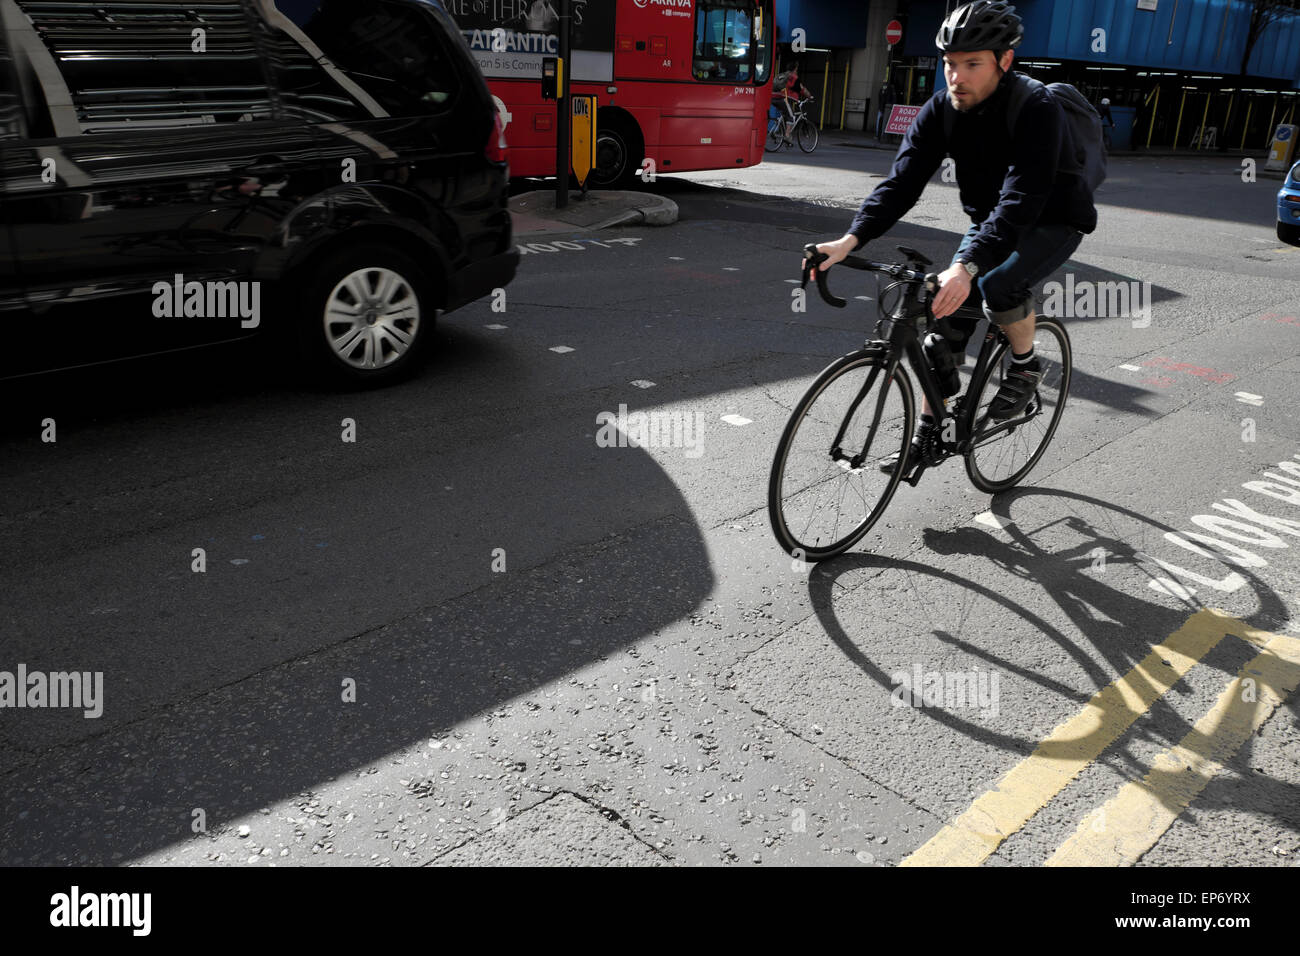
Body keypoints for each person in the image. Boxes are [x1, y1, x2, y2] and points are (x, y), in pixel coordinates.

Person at [806, 1, 1097, 472]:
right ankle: (927, 433)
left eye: (972, 64)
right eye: (949, 64)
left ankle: (1024, 365)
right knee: (942, 319)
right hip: (990, 219)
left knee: (997, 286)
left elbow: (1023, 197)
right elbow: (901, 184)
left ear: (1004, 61)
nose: (956, 77)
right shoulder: (942, 109)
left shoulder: (1037, 107)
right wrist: (849, 241)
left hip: (1053, 219)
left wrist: (968, 266)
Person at [772, 62, 811, 143]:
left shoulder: (782, 75)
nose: (797, 71)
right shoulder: (793, 77)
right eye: (796, 69)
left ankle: (779, 129)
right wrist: (809, 96)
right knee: (792, 116)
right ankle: (787, 135)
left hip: (773, 97)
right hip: (783, 99)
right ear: (795, 69)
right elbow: (802, 90)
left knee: (785, 113)